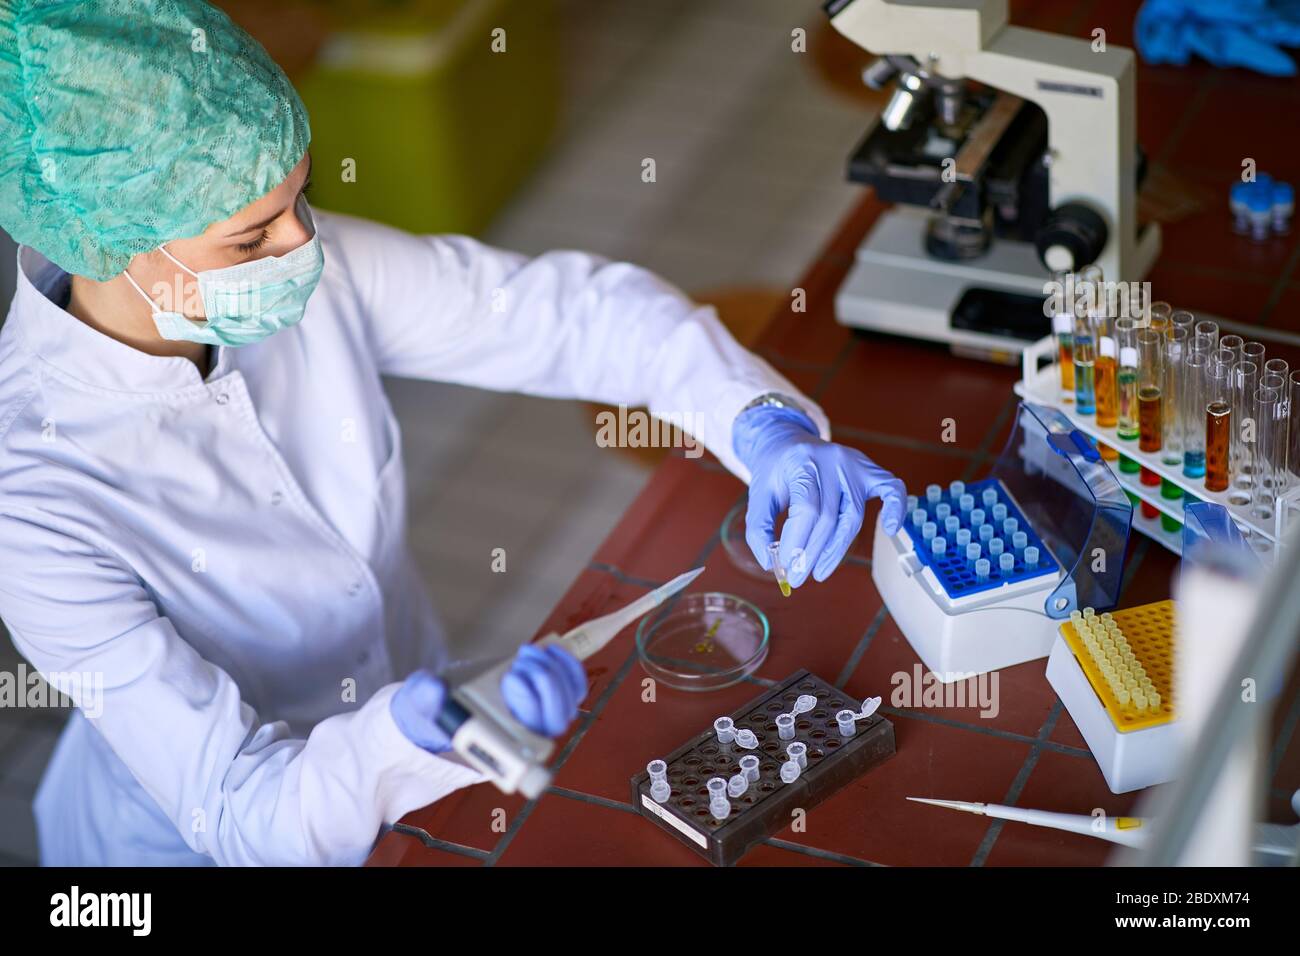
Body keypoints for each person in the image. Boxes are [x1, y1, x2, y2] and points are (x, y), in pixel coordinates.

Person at [0, 0, 905, 866]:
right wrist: (400, 740)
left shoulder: (288, 267)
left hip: (426, 742)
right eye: (251, 240)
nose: (304, 248)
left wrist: (762, 424)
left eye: (301, 199)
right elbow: (244, 809)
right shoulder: (33, 504)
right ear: (114, 246)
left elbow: (569, 317)